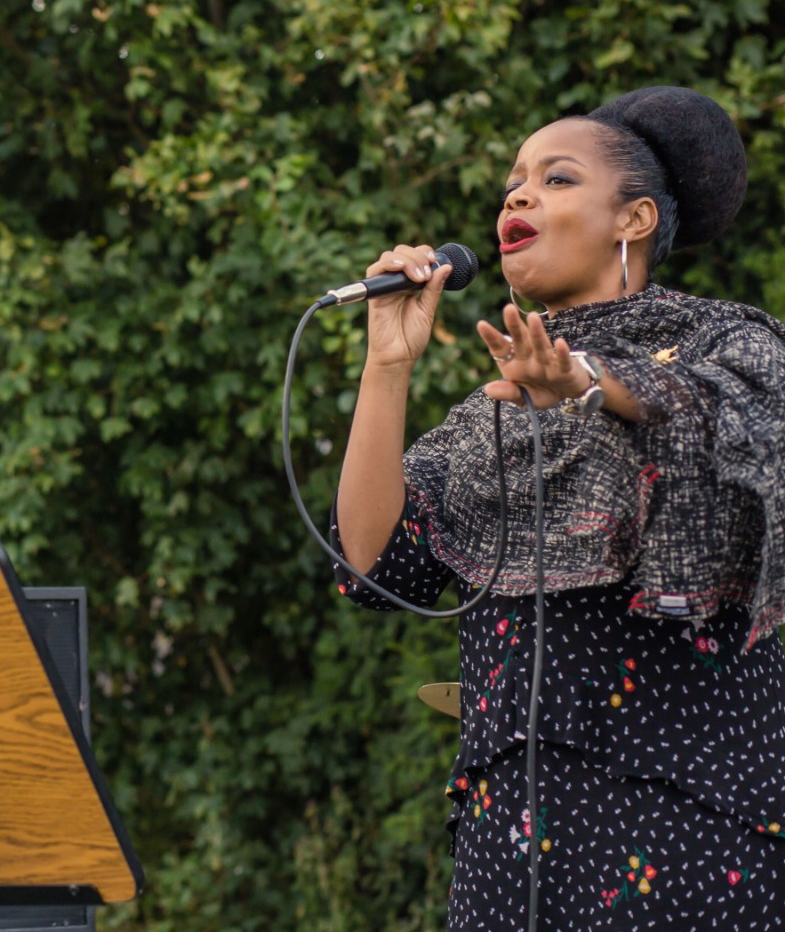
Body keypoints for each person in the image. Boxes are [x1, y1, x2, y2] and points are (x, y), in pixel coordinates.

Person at [332, 86, 785, 927]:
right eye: (514, 181)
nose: (517, 194)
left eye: (557, 177)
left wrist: (586, 389)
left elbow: (742, 437)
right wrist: (386, 365)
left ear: (634, 219)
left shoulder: (725, 340)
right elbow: (373, 564)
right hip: (514, 842)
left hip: (688, 826)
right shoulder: (493, 409)